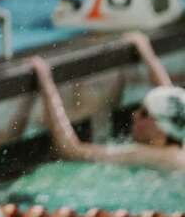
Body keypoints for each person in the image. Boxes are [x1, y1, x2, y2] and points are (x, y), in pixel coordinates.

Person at [30, 32, 185, 172]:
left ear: (161, 130)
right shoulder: (178, 143)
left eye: (144, 114)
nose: (134, 115)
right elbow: (170, 98)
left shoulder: (150, 156)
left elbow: (72, 150)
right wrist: (146, 52)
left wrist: (46, 82)